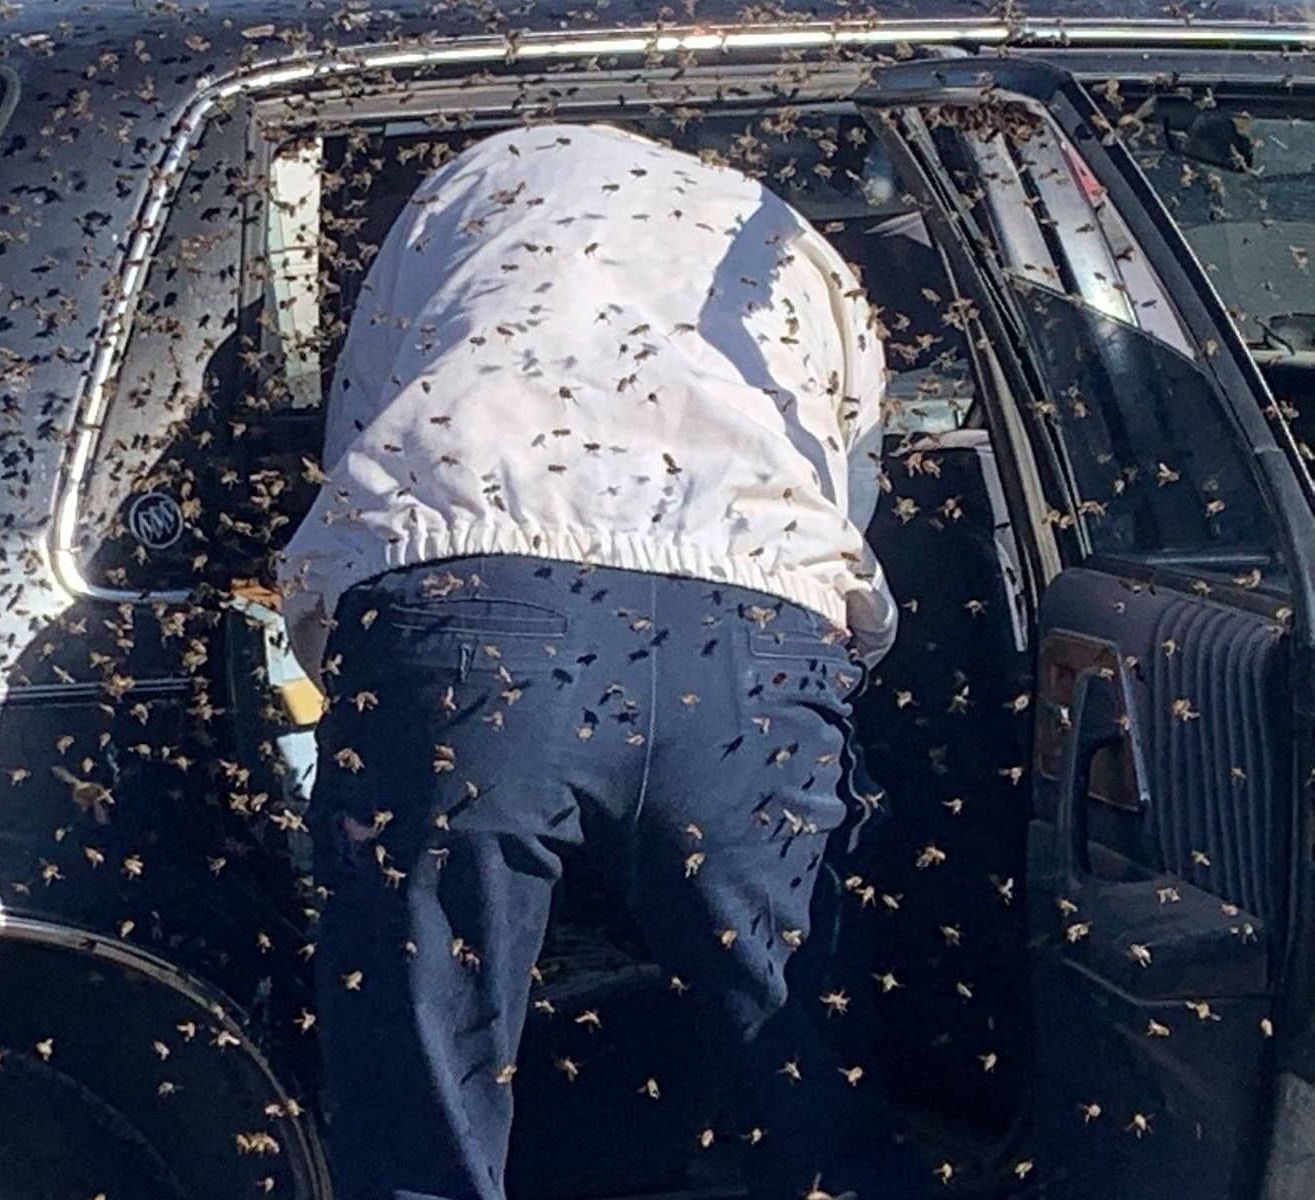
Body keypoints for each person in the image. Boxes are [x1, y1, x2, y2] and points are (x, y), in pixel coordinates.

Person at [275, 121, 915, 1200]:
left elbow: (365, 445)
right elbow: (847, 490)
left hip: (471, 616)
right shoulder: (785, 241)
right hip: (754, 638)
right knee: (798, 1049)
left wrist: (380, 696)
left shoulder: (463, 192)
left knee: (421, 1074)